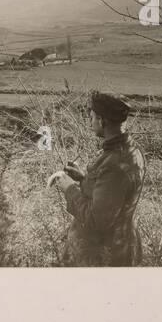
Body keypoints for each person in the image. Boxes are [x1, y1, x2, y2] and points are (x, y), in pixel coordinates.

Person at [47, 91, 145, 266]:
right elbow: (112, 196)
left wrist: (69, 188)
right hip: (115, 248)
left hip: (105, 256)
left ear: (102, 121)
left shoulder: (116, 163)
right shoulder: (130, 151)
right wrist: (84, 179)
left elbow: (96, 220)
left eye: (92, 117)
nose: (90, 122)